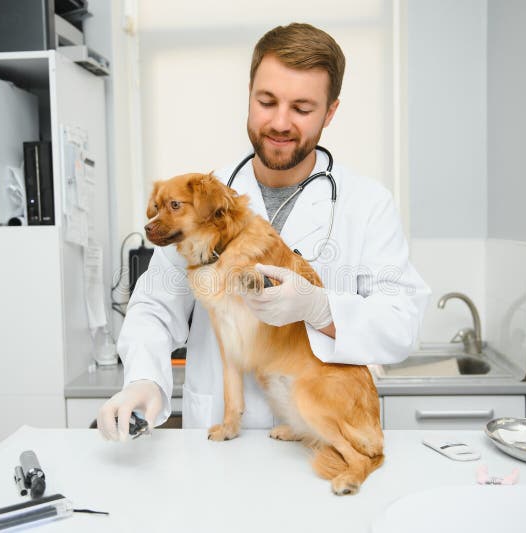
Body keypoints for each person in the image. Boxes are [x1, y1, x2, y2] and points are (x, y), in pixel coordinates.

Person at [98, 22, 430, 441]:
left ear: (330, 112)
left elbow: (400, 324)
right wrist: (144, 379)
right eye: (267, 101)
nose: (279, 122)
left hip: (315, 437)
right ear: (249, 95)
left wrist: (322, 310)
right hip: (220, 446)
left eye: (302, 109)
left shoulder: (367, 204)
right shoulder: (202, 197)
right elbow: (155, 308)